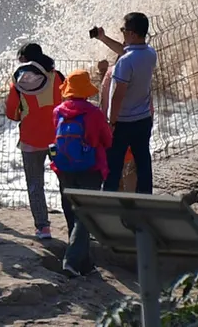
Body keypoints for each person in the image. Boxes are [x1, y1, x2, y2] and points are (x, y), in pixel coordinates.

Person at [50, 70, 113, 277]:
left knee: (71, 213)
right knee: (85, 217)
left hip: (64, 168)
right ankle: (72, 261)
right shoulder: (94, 113)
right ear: (86, 90)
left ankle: (84, 263)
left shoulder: (58, 111)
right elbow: (107, 140)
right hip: (89, 169)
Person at [91, 12, 157, 192]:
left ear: (133, 34)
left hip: (123, 122)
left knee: (113, 166)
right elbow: (125, 50)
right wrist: (103, 38)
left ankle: (109, 203)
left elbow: (118, 96)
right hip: (143, 119)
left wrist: (111, 122)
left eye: (124, 30)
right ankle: (144, 202)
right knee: (143, 164)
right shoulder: (150, 53)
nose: (123, 33)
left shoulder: (124, 63)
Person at [5, 43, 63, 239]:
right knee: (66, 181)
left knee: (35, 184)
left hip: (30, 140)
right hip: (58, 138)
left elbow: (11, 113)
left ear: (23, 59)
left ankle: (43, 227)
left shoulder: (18, 83)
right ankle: (76, 224)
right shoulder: (58, 77)